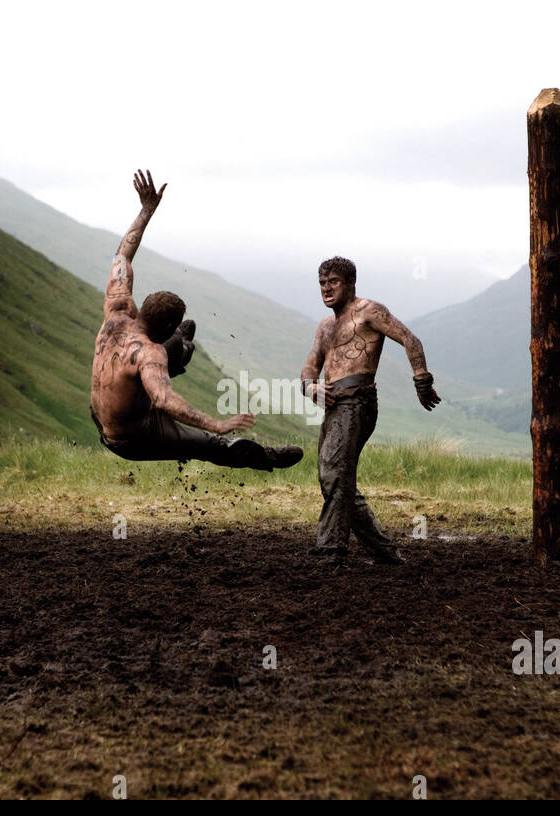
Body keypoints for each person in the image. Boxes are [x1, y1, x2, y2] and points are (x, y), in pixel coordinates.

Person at [89, 170, 303, 471]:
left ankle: (182, 343)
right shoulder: (150, 352)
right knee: (210, 444)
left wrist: (146, 210)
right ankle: (267, 458)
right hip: (131, 436)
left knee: (177, 343)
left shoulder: (118, 310)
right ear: (162, 328)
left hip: (103, 417)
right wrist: (218, 424)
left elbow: (122, 257)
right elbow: (164, 400)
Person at [299, 256, 441, 565]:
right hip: (333, 407)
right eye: (322, 283)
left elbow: (409, 338)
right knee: (333, 477)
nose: (326, 288)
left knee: (335, 473)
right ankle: (385, 553)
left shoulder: (369, 311)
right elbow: (310, 366)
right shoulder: (324, 327)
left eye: (333, 282)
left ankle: (331, 550)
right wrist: (310, 387)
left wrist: (421, 378)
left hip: (358, 402)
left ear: (350, 284)